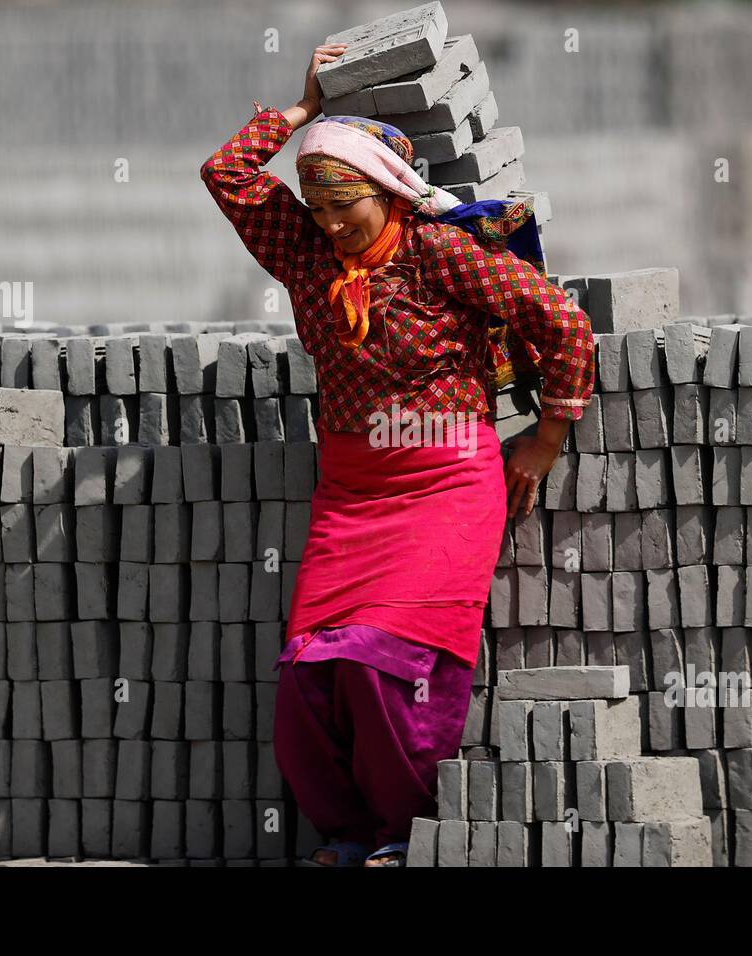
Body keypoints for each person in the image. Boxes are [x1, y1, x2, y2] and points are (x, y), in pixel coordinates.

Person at [201, 42, 595, 866]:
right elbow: (227, 175)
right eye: (318, 205)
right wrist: (302, 112)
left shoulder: (438, 252)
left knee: (387, 668)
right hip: (351, 496)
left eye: (347, 203)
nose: (332, 222)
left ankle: (402, 836)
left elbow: (558, 320)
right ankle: (345, 836)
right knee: (309, 682)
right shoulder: (307, 259)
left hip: (446, 487)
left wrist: (546, 440)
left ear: (387, 191)